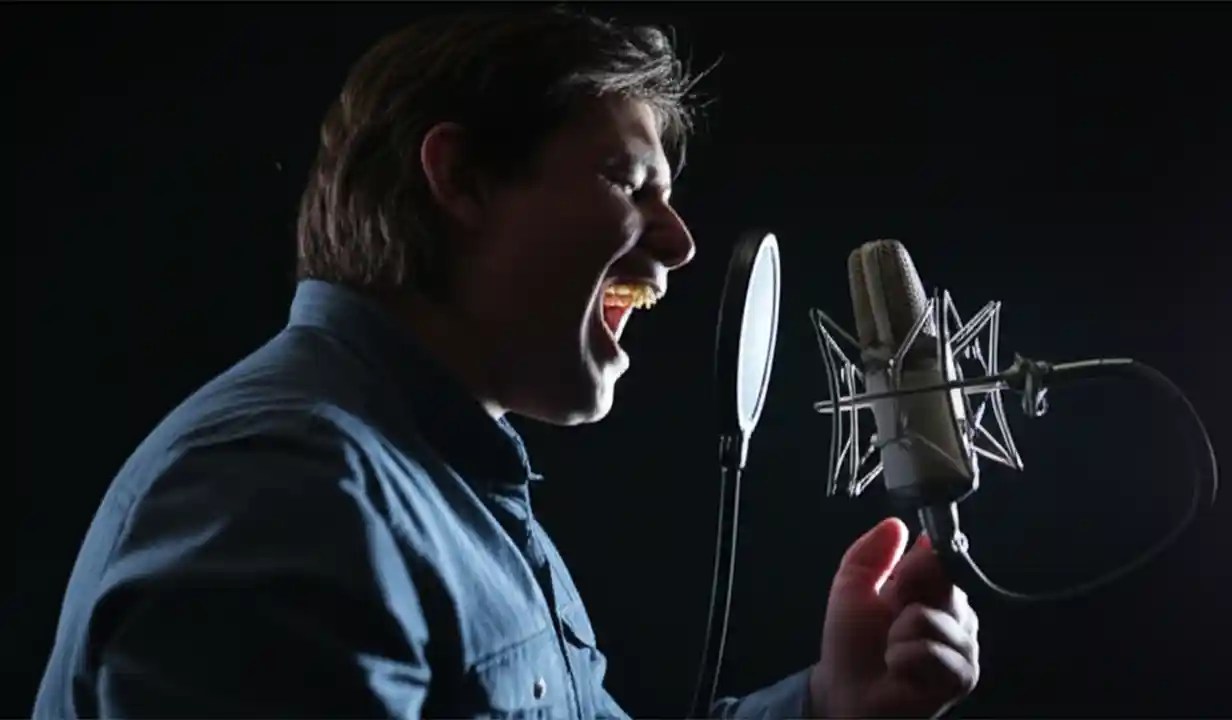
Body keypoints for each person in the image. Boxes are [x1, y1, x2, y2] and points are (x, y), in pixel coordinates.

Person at [33, 7, 979, 718]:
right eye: (628, 181)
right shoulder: (286, 493)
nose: (683, 242)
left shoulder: (445, 493)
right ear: (463, 179)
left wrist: (824, 705)